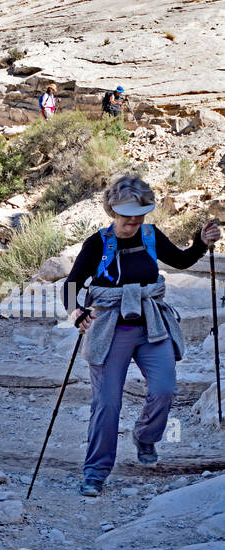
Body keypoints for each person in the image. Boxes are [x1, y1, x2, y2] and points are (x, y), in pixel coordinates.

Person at [62, 174, 220, 496]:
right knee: (107, 404)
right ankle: (95, 472)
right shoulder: (97, 243)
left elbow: (181, 259)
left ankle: (145, 437)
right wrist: (76, 312)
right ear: (112, 211)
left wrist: (201, 241)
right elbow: (72, 285)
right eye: (127, 214)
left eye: (140, 214)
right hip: (110, 327)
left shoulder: (150, 235)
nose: (134, 221)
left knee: (164, 388)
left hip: (150, 323)